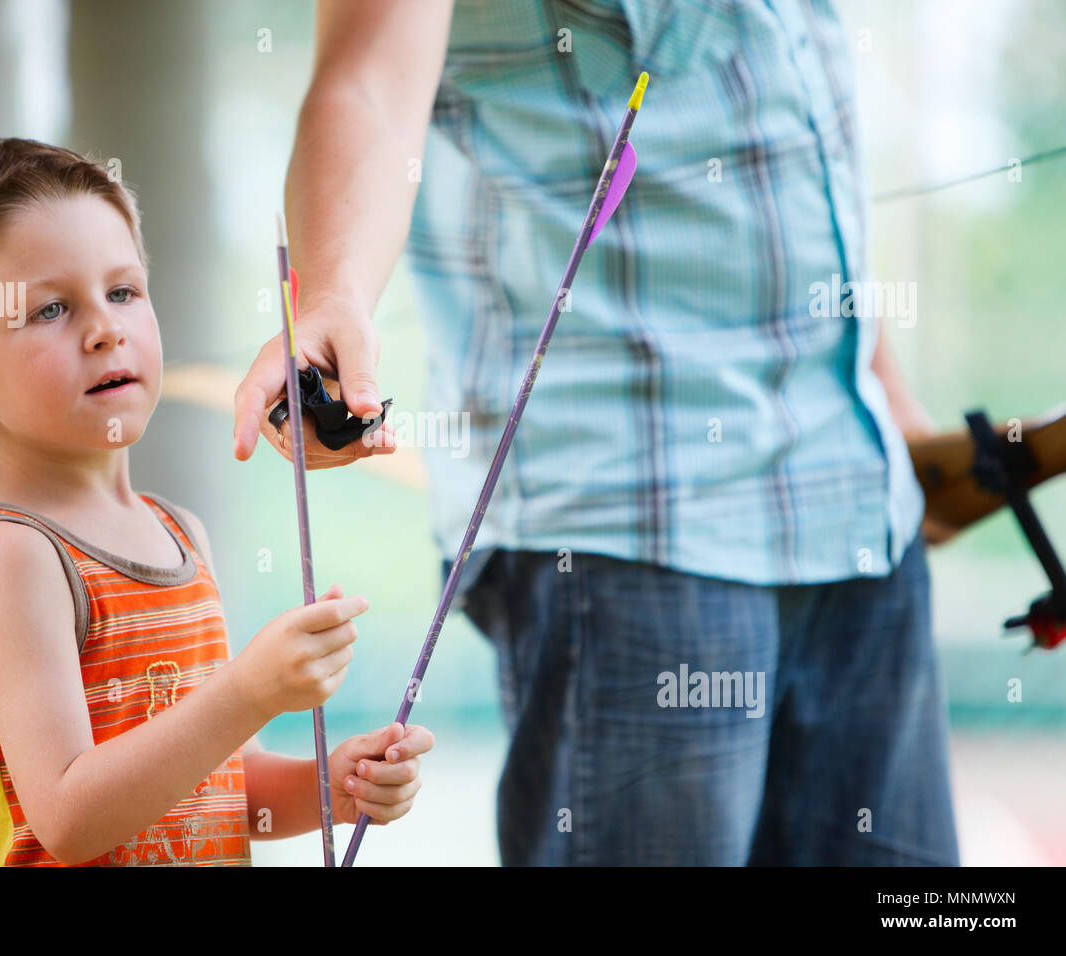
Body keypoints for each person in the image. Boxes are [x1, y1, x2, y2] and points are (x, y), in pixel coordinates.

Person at [234, 0, 960, 865]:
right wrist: (334, 295)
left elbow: (788, 146)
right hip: (628, 533)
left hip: (858, 516)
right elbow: (366, 80)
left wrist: (890, 408)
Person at [0, 137, 432, 866]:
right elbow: (70, 819)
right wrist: (247, 693)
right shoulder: (11, 557)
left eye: (124, 292)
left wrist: (335, 786)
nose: (105, 328)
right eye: (49, 310)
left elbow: (226, 788)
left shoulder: (179, 533)